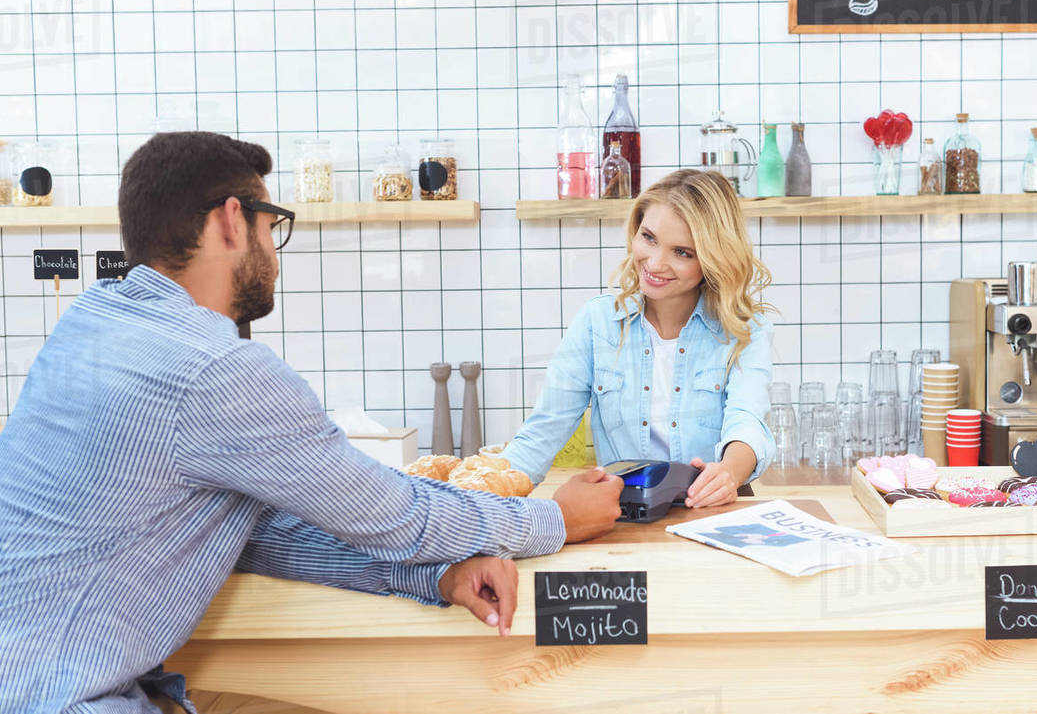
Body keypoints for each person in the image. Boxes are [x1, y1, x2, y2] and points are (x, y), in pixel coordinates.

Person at [0, 132, 623, 714]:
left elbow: (255, 528)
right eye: (273, 225)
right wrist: (555, 520)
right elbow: (392, 513)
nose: (274, 249)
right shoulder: (215, 367)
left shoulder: (89, 324)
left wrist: (438, 573)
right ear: (229, 220)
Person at [502, 169, 775, 508]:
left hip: (713, 509)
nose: (656, 263)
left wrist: (728, 474)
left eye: (683, 253)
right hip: (625, 514)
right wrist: (483, 504)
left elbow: (747, 421)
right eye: (649, 238)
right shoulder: (596, 323)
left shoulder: (745, 329)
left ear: (712, 259)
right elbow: (543, 432)